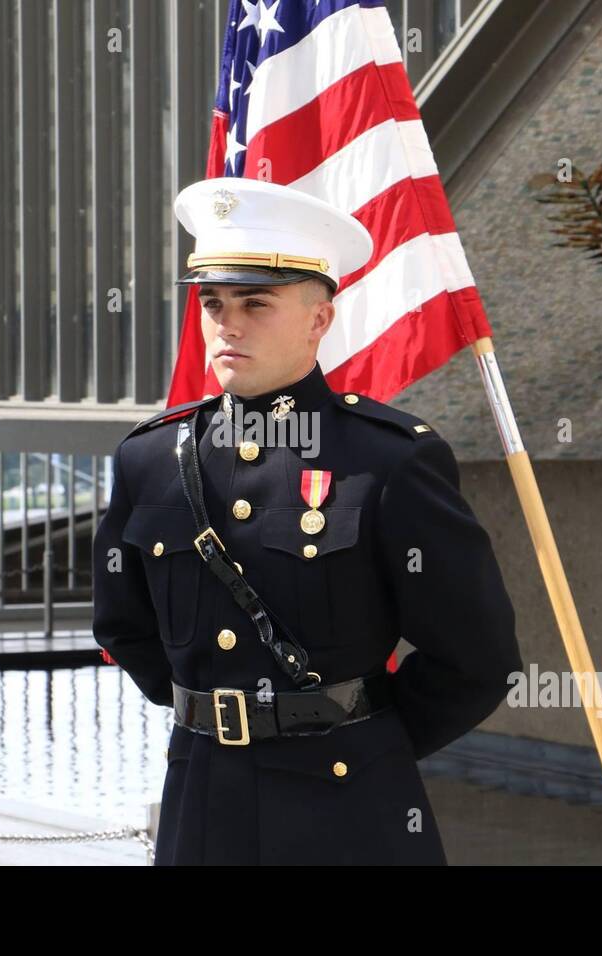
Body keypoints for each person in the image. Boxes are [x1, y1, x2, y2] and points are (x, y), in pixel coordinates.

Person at [92, 176, 522, 865]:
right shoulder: (151, 457)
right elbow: (122, 625)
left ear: (319, 320)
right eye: (214, 302)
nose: (228, 323)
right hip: (202, 800)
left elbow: (478, 658)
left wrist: (361, 738)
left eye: (256, 303)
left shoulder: (387, 461)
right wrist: (215, 715)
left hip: (349, 807)